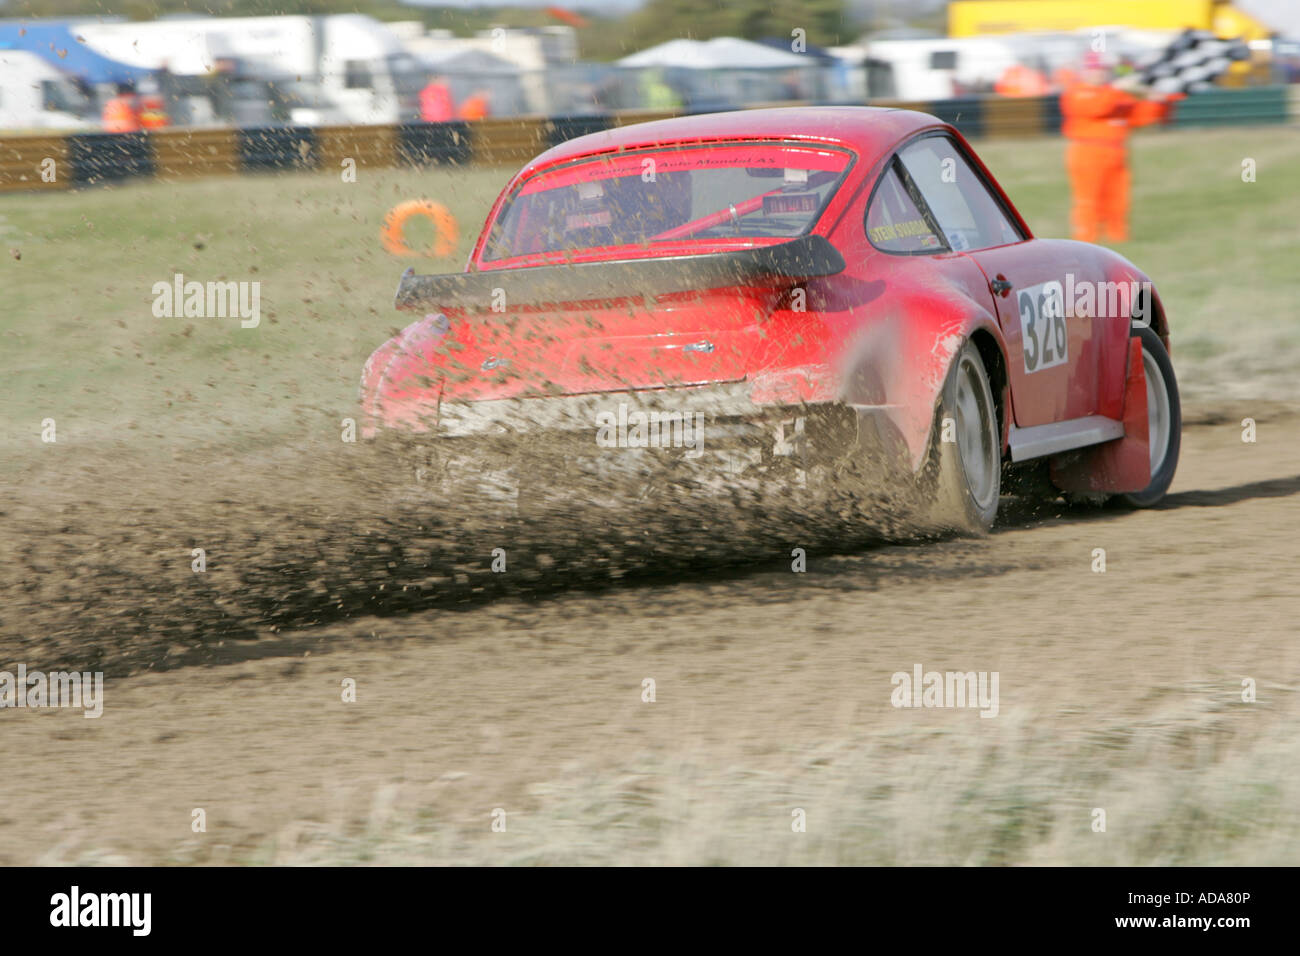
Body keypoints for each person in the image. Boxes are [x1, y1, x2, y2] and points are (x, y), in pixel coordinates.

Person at [1060, 51, 1175, 243]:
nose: (1099, 74)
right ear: (1085, 71)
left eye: (1103, 70)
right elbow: (1097, 107)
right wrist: (1117, 89)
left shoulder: (1114, 94)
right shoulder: (1078, 92)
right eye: (1095, 69)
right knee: (1088, 201)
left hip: (1116, 151)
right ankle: (1085, 240)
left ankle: (1118, 238)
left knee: (1118, 200)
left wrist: (1159, 101)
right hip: (1087, 152)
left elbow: (1141, 116)